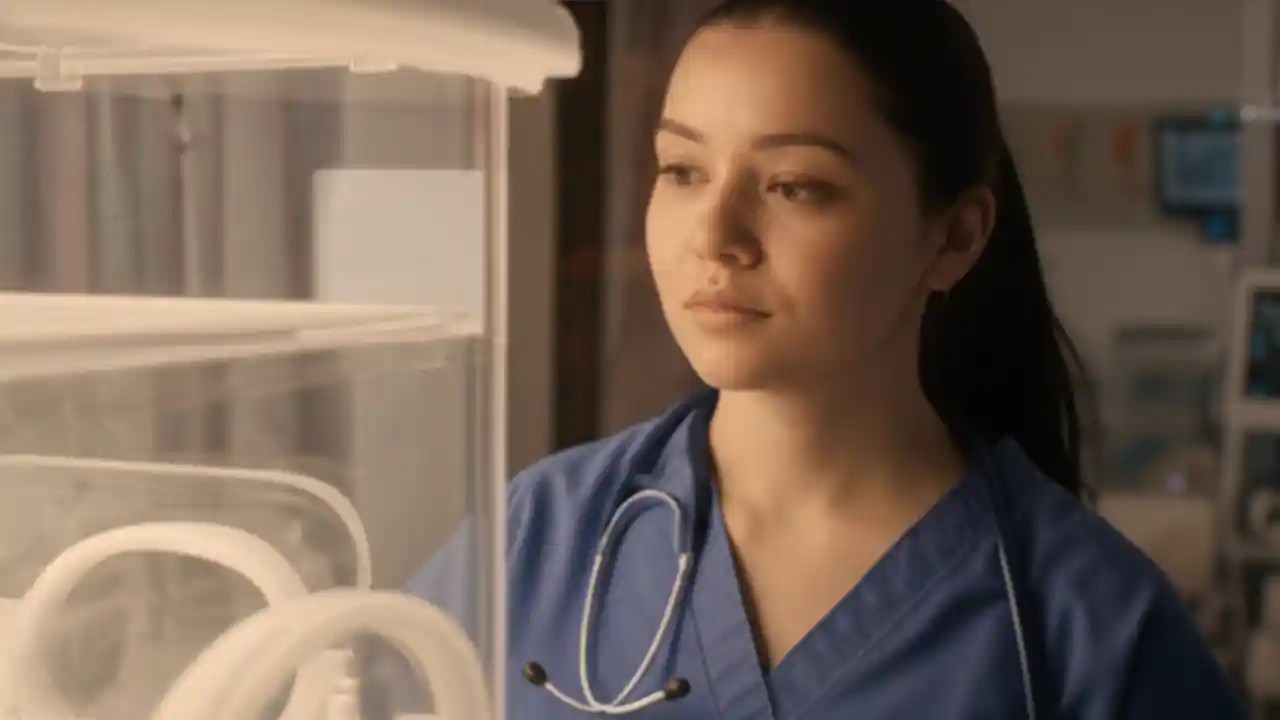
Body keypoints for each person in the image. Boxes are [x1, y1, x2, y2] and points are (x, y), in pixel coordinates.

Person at [402, 1, 1248, 717]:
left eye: (794, 185)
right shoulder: (540, 539)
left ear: (953, 237)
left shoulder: (1087, 628)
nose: (717, 238)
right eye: (683, 169)